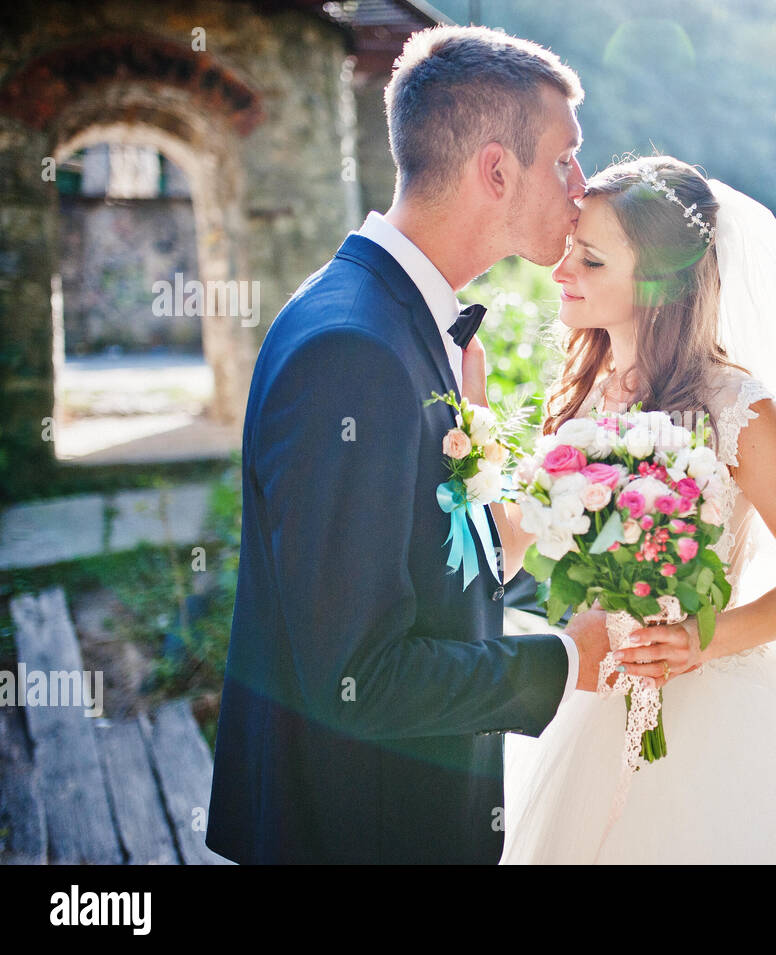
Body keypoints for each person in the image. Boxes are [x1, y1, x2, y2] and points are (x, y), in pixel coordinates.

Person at [471, 156, 776, 863]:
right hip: (591, 698)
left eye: (588, 259)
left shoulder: (734, 405)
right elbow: (512, 539)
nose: (560, 271)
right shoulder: (583, 393)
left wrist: (699, 641)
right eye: (567, 250)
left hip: (714, 709)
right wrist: (472, 428)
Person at [204, 25, 613, 864]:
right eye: (564, 160)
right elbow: (360, 676)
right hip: (356, 827)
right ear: (496, 170)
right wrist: (566, 662)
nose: (582, 187)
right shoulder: (350, 352)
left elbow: (424, 573)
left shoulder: (412, 330)